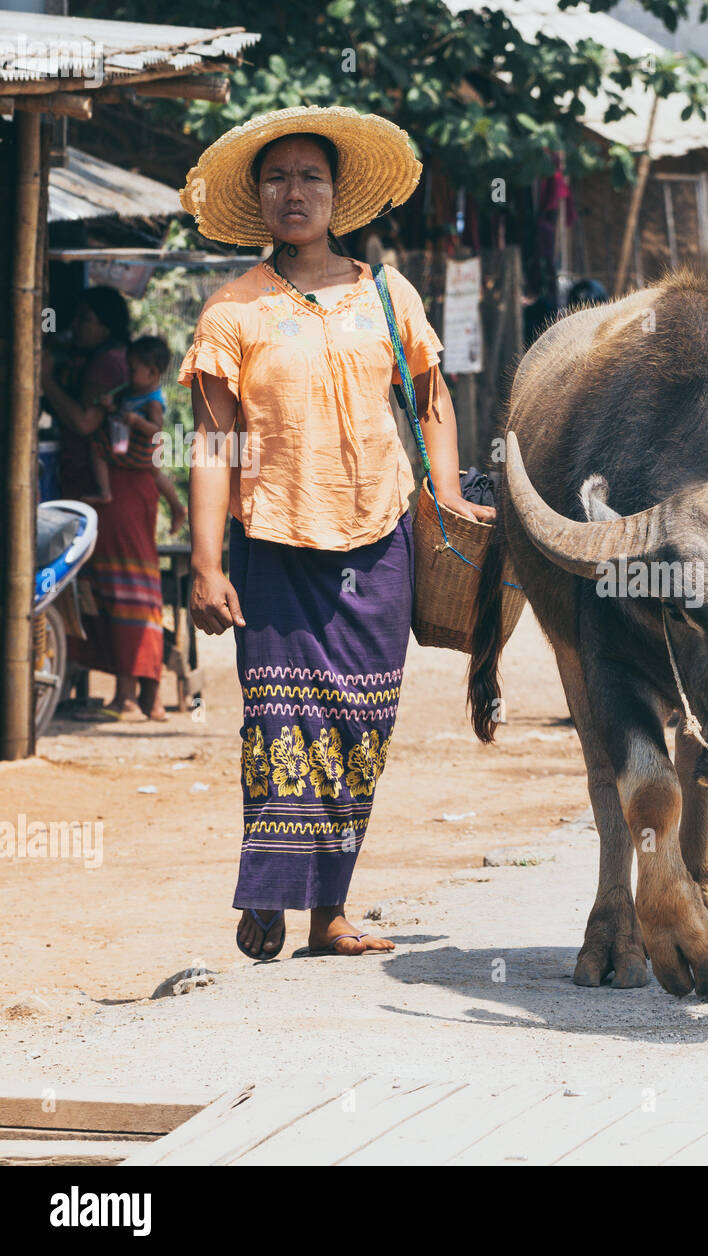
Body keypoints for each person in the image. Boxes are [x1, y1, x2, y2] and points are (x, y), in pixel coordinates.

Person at [178, 106, 493, 962]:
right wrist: (206, 565)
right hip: (272, 539)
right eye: (277, 178)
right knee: (284, 723)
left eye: (311, 176)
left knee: (361, 722)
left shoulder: (389, 294)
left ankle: (332, 912)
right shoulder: (232, 312)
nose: (295, 192)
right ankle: (271, 898)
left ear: (338, 195)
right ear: (259, 199)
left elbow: (431, 400)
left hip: (379, 536)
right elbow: (215, 443)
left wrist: (450, 495)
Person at [41, 288, 168, 721]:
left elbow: (85, 421)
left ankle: (132, 695)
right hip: (111, 493)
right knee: (112, 589)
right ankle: (138, 695)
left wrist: (45, 381)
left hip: (120, 496)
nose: (79, 326)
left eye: (87, 318)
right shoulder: (118, 367)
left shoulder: (114, 368)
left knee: (125, 589)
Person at [86, 336, 188, 537]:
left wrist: (138, 422)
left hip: (140, 450)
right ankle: (176, 505)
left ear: (152, 372)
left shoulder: (153, 402)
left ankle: (104, 491)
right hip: (142, 453)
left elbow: (157, 429)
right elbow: (122, 413)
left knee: (96, 446)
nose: (128, 374)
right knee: (157, 474)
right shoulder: (132, 391)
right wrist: (111, 406)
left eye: (132, 370)